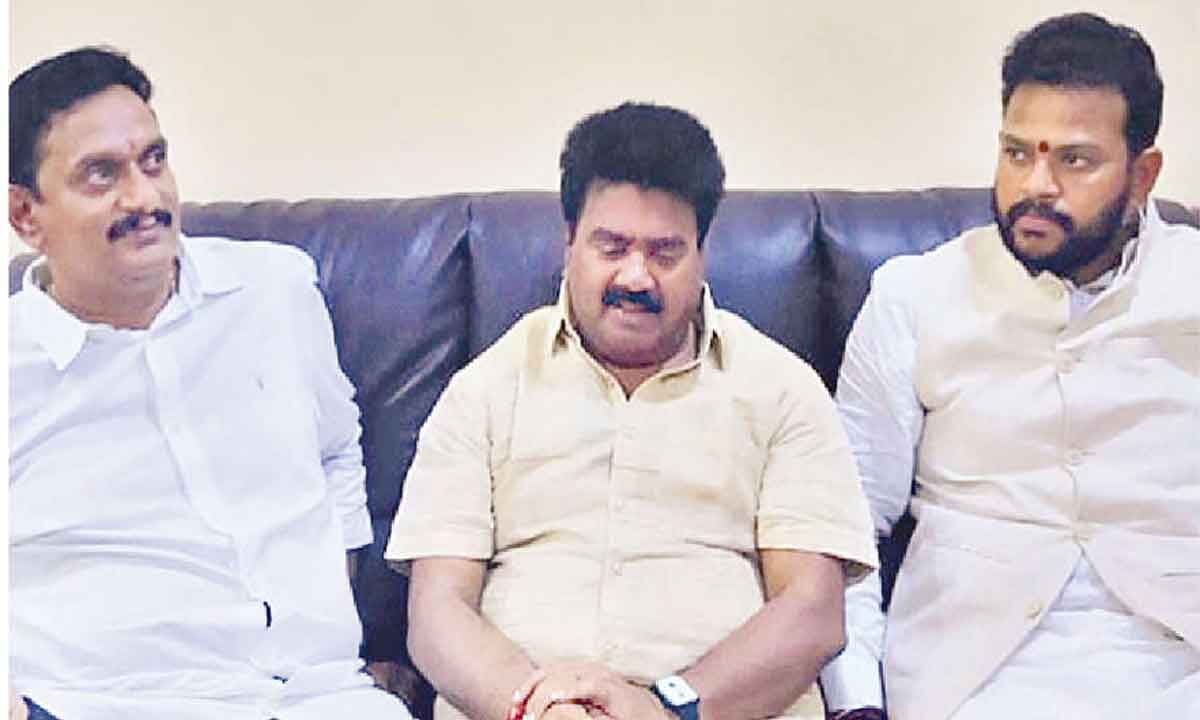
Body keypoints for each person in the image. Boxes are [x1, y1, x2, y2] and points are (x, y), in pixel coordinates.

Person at [384, 101, 878, 720]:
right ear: (569, 241)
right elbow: (437, 612)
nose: (636, 277)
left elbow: (813, 612)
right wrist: (540, 710)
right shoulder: (485, 389)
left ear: (703, 251)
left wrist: (667, 710)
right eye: (611, 247)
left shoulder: (781, 390)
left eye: (665, 252)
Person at [8, 47, 412, 720]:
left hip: (318, 698)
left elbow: (338, 451)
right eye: (101, 175)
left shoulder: (275, 289)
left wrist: (330, 604)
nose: (144, 198)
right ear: (26, 215)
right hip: (100, 703)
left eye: (154, 161)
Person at [819, 12, 1199, 720]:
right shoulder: (915, 296)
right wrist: (857, 705)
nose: (1037, 185)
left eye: (1075, 161)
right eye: (1017, 153)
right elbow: (840, 534)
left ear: (1142, 175)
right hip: (976, 680)